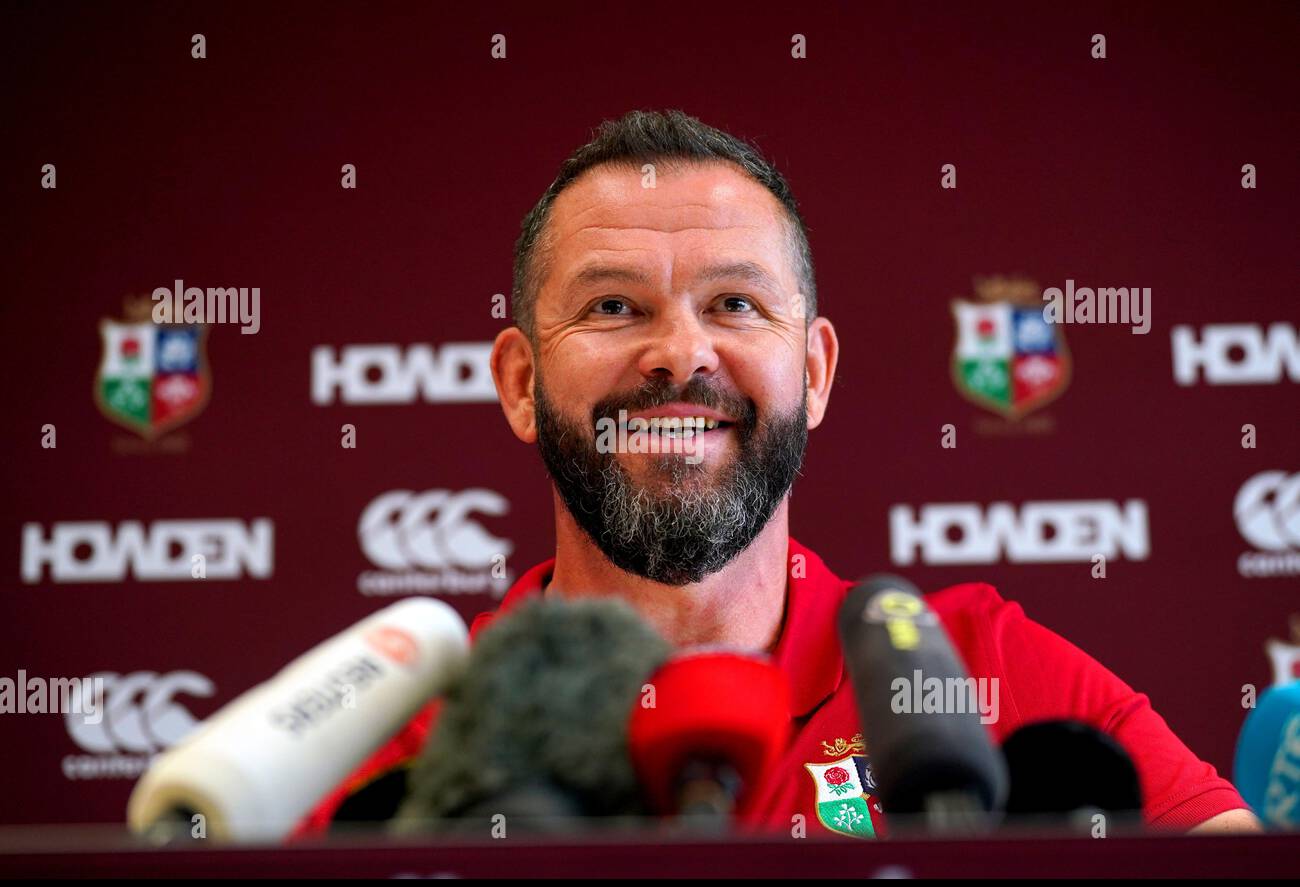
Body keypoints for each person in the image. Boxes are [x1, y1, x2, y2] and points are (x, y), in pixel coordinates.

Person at [295, 109, 1257, 839]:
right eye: (617, 305)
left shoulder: (979, 669)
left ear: (816, 371)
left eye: (736, 303)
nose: (680, 354)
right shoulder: (409, 745)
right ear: (518, 381)